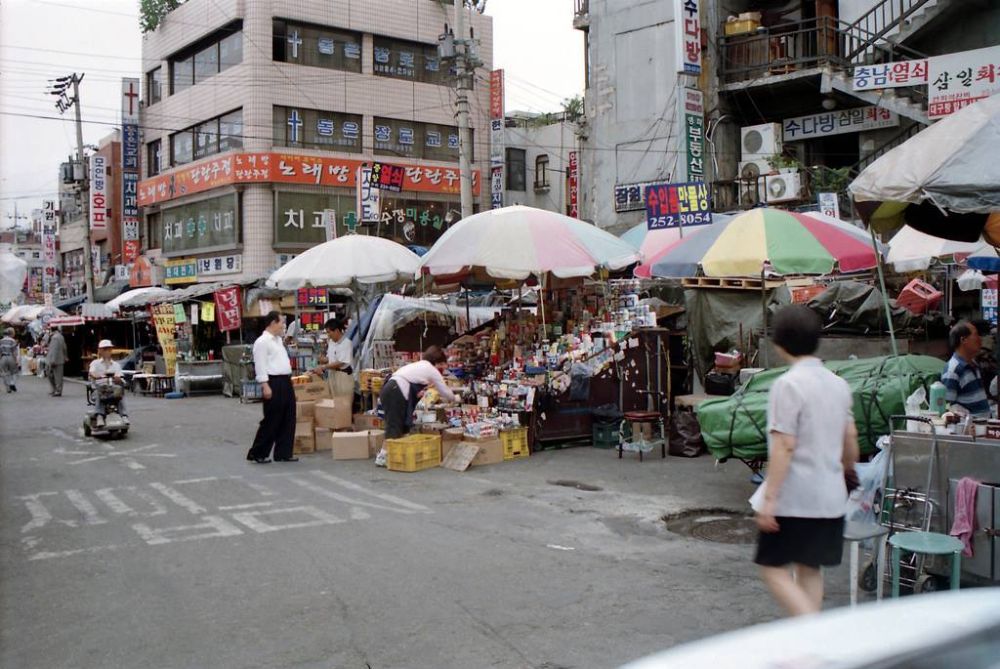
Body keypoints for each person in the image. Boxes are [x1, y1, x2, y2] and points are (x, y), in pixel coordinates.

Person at [750, 305, 859, 617]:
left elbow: (784, 446)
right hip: (830, 497)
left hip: (796, 498)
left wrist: (769, 499)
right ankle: (809, 650)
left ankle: (816, 633)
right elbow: (850, 439)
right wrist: (845, 471)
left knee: (771, 568)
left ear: (779, 343)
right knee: (808, 568)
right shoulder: (838, 384)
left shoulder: (787, 385)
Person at [247, 311, 297, 464]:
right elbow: (260, 365)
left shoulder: (278, 340)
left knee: (288, 417)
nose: (284, 326)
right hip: (272, 381)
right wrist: (265, 385)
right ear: (273, 323)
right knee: (272, 418)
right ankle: (258, 452)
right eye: (281, 322)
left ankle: (283, 452)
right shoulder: (262, 342)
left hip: (285, 380)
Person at [379, 345, 457, 439]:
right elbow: (445, 391)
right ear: (436, 361)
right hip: (395, 391)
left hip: (391, 389)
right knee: (394, 428)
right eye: (442, 364)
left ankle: (397, 451)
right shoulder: (430, 369)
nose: (443, 367)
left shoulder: (420, 365)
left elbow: (412, 384)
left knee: (400, 427)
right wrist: (455, 398)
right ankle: (387, 452)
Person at [941, 320, 991, 419]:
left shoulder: (974, 365)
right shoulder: (953, 370)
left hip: (982, 427)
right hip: (969, 430)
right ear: (963, 340)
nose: (979, 339)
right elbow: (947, 408)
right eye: (976, 335)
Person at [89, 339, 128, 427]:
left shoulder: (116, 365)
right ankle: (99, 416)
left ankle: (124, 415)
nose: (107, 352)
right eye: (104, 349)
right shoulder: (95, 363)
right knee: (100, 391)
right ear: (100, 351)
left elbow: (121, 378)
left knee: (120, 393)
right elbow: (91, 372)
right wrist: (96, 376)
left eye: (109, 349)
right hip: (99, 389)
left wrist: (119, 379)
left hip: (112, 389)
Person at [311, 318, 354, 397]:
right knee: (333, 400)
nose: (328, 335)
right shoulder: (331, 342)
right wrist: (322, 359)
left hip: (343, 376)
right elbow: (330, 359)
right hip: (332, 375)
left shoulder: (346, 343)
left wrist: (323, 367)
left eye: (329, 332)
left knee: (343, 402)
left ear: (337, 331)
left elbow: (340, 362)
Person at [46, 325, 67, 397]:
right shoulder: (60, 336)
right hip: (59, 359)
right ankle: (56, 389)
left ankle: (57, 390)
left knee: (56, 376)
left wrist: (53, 360)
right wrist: (65, 356)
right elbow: (64, 347)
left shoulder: (55, 338)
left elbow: (54, 350)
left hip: (55, 359)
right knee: (53, 375)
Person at [0, 328, 19, 393]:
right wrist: (16, 360)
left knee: (4, 373)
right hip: (11, 357)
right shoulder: (12, 340)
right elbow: (14, 351)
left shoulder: (1, 341)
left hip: (3, 357)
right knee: (14, 372)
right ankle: (12, 383)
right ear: (9, 334)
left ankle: (8, 388)